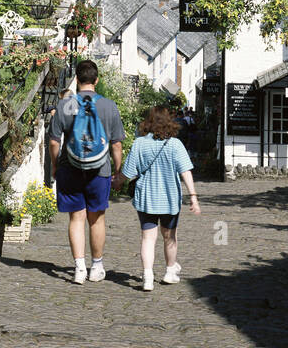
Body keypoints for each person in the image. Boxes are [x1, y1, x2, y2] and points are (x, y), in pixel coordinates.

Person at [47, 59, 124, 284]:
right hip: (99, 170)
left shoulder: (66, 104)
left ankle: (79, 267)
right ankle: (96, 267)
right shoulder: (109, 106)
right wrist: (117, 171)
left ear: (77, 80)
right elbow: (116, 144)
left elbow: (53, 142)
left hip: (70, 168)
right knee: (96, 218)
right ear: (96, 80)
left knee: (76, 218)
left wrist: (54, 165)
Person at [117, 105, 199, 291]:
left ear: (148, 121)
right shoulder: (175, 144)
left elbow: (127, 172)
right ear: (169, 121)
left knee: (148, 238)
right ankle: (170, 271)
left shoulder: (139, 143)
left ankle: (147, 277)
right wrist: (193, 196)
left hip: (146, 198)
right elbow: (185, 171)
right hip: (170, 199)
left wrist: (115, 183)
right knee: (169, 237)